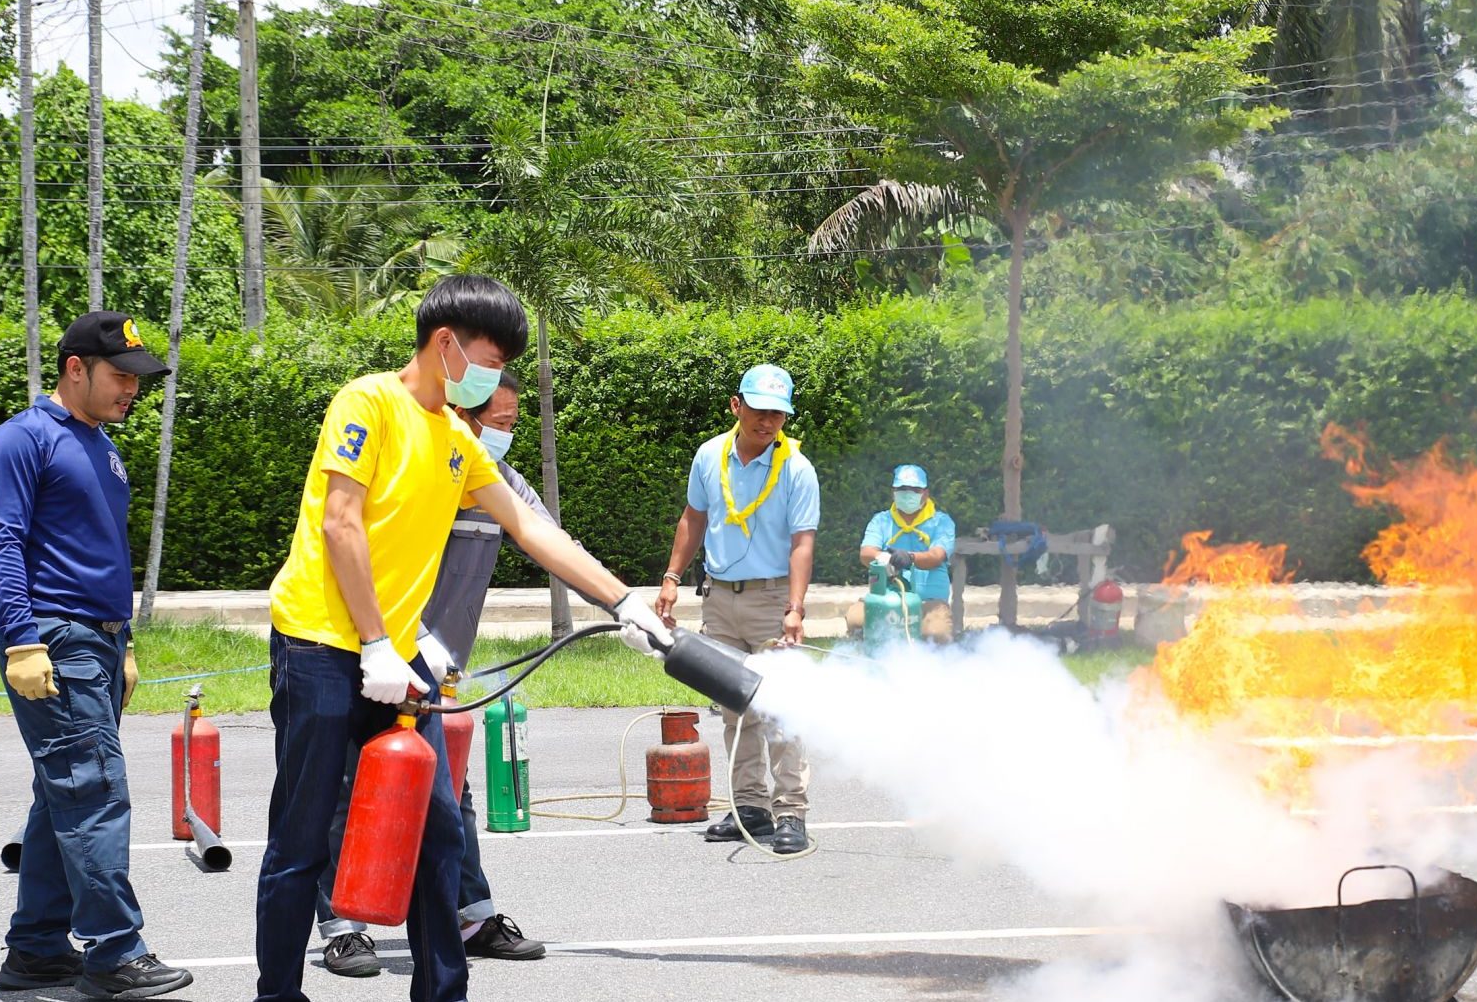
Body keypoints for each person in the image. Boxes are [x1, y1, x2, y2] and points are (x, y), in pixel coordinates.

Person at [256, 275, 670, 1002]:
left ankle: (443, 993)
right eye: (488, 359)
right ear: (444, 342)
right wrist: (377, 644)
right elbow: (340, 522)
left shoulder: (455, 435)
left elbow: (530, 525)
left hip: (396, 652)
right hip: (321, 644)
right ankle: (278, 995)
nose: (494, 378)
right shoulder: (368, 402)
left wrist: (623, 600)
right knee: (303, 836)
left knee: (437, 836)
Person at [312, 370, 561, 976]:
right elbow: (377, 556)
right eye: (499, 424)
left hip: (440, 674)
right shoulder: (429, 474)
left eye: (512, 423)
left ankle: (472, 915)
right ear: (465, 416)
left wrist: (625, 608)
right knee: (350, 787)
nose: (506, 434)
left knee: (451, 793)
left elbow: (553, 539)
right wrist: (400, 639)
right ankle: (341, 927)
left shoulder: (502, 482)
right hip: (377, 659)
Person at [0, 312, 194, 999]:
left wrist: (122, 642)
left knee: (63, 794)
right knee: (96, 792)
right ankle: (115, 953)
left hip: (96, 641)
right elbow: (3, 543)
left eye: (137, 379)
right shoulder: (22, 440)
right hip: (53, 638)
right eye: (120, 376)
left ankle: (38, 950)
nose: (132, 389)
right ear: (76, 369)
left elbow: (101, 551)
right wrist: (21, 639)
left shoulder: (100, 444)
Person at [655, 364, 819, 855]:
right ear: (736, 405)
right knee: (735, 708)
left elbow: (802, 542)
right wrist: (670, 578)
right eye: (759, 410)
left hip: (772, 599)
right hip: (720, 597)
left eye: (778, 414)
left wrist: (795, 607)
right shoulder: (710, 456)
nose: (768, 422)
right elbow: (694, 517)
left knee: (781, 708)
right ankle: (750, 806)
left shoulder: (796, 468)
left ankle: (791, 810)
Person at [844, 464, 956, 643]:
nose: (907, 493)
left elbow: (936, 556)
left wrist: (911, 558)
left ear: (925, 493)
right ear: (893, 492)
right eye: (902, 489)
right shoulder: (881, 521)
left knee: (937, 631)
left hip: (929, 602)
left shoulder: (942, 522)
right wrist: (884, 557)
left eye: (914, 489)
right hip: (885, 598)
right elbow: (866, 553)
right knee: (856, 618)